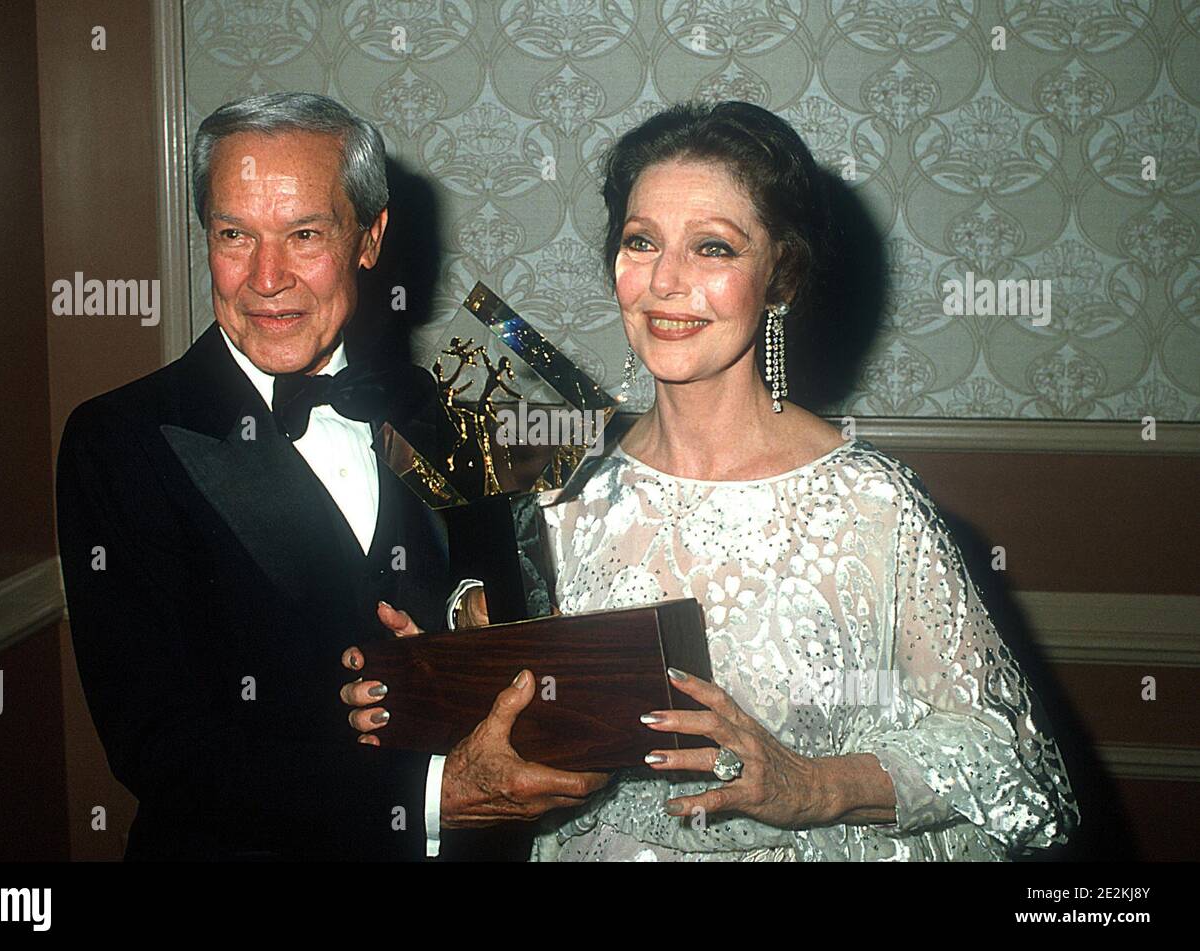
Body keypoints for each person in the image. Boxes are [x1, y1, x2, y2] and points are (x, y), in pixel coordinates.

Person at [345, 101, 1080, 861]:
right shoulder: (551, 484)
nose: (666, 281)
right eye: (641, 242)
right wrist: (452, 671)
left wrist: (812, 784)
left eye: (713, 248)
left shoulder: (873, 505)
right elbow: (514, 740)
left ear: (780, 276)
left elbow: (1017, 769)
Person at [57, 92, 603, 860]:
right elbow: (158, 743)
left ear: (369, 238)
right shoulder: (118, 440)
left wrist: (485, 633)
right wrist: (431, 795)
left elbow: (512, 617)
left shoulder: (444, 405)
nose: (266, 277)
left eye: (304, 233)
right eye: (234, 235)